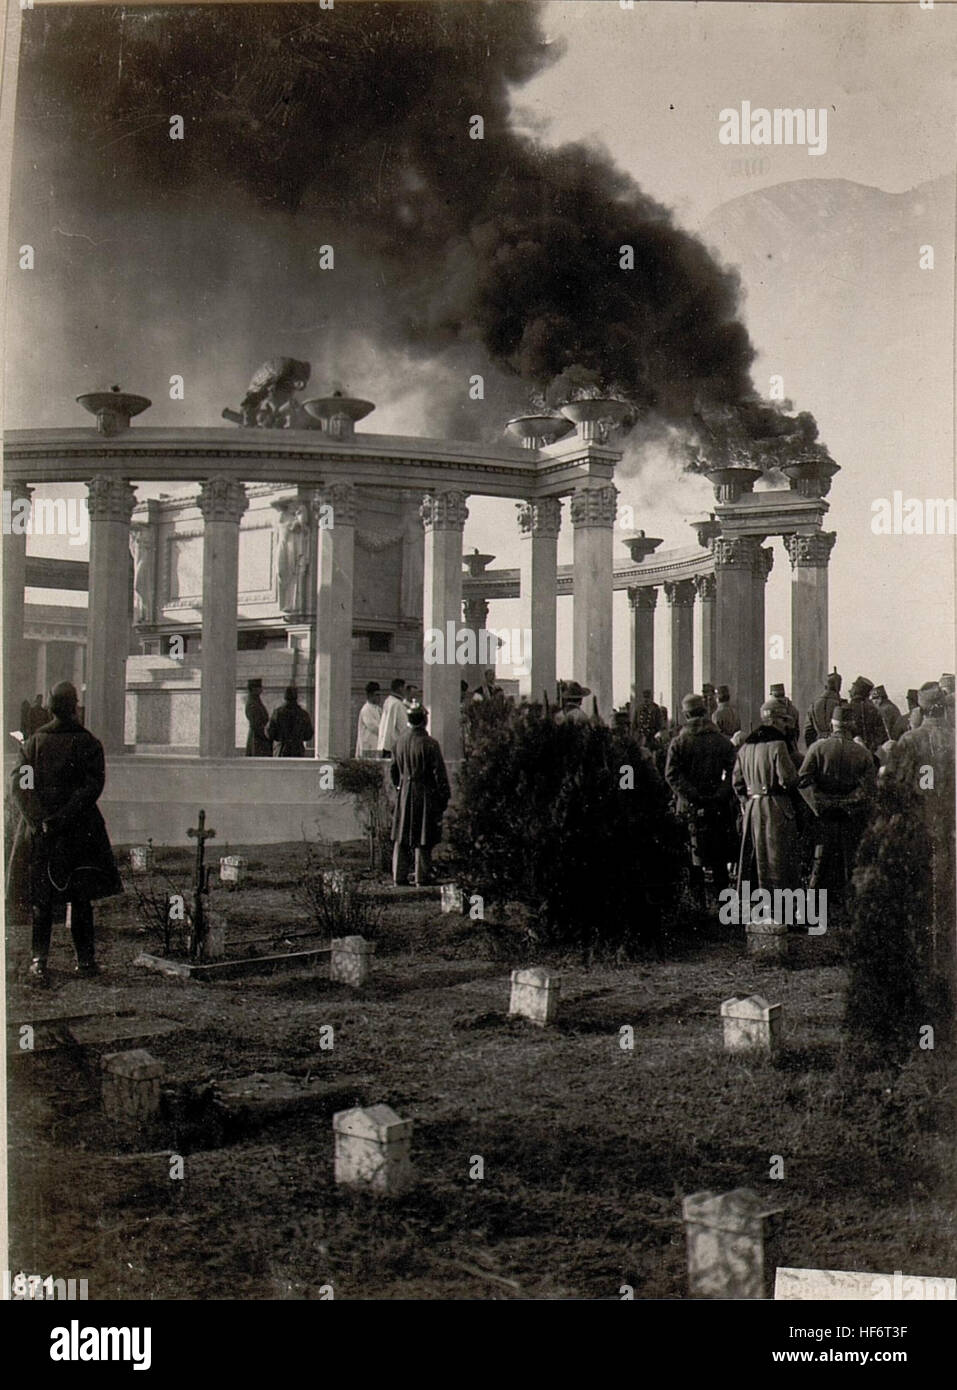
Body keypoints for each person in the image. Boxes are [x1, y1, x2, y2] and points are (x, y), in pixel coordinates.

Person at [7, 681, 122, 983]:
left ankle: (39, 961)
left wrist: (39, 821)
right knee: (80, 898)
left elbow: (21, 787)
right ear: (74, 708)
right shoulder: (89, 744)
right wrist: (63, 818)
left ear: (49, 708)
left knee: (42, 899)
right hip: (80, 832)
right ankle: (85, 961)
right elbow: (91, 787)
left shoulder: (33, 744)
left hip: (41, 833)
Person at [798, 705, 876, 907]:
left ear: (832, 725)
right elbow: (869, 789)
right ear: (851, 725)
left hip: (824, 817)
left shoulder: (817, 748)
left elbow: (804, 781)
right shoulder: (863, 753)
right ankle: (850, 907)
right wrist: (848, 804)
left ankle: (815, 907)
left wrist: (822, 803)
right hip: (850, 817)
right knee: (850, 863)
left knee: (820, 863)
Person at [665, 693, 737, 901]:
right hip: (717, 805)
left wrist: (692, 794)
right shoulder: (721, 741)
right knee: (719, 858)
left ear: (686, 715)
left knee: (692, 859)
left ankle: (698, 906)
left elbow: (671, 775)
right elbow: (735, 771)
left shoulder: (679, 742)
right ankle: (724, 905)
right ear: (705, 712)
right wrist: (720, 793)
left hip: (689, 807)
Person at [733, 700, 803, 897]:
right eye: (783, 720)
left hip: (752, 808)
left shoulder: (745, 748)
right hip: (776, 807)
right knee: (778, 859)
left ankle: (752, 902)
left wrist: (746, 802)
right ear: (773, 720)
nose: (786, 725)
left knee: (753, 859)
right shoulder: (778, 745)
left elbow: (737, 782)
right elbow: (787, 779)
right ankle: (781, 903)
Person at [390, 705, 451, 887]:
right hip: (425, 793)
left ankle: (399, 875)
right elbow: (439, 774)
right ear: (424, 720)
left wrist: (400, 787)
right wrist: (444, 796)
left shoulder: (399, 742)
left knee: (402, 835)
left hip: (405, 793)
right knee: (424, 835)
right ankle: (422, 875)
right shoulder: (430, 744)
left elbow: (393, 771)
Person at [266, 685, 313, 756]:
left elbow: (270, 733)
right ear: (296, 697)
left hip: (281, 750)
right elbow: (308, 734)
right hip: (297, 751)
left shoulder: (278, 713)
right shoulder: (303, 714)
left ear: (285, 697)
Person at [845, 676, 887, 752]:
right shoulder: (873, 710)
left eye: (853, 687)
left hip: (850, 751)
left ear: (856, 690)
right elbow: (882, 735)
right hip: (870, 752)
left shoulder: (846, 708)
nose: (850, 690)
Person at [804, 669, 844, 748]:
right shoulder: (841, 705)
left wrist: (811, 748)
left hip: (818, 744)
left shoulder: (813, 705)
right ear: (839, 687)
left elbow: (808, 731)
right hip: (837, 745)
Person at [377, 677, 410, 757]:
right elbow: (403, 726)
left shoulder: (388, 701)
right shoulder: (398, 704)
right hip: (395, 746)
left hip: (384, 743)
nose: (405, 691)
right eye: (404, 688)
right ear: (400, 688)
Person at [244, 677, 273, 757]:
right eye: (259, 687)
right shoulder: (252, 703)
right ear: (253, 689)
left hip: (258, 737)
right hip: (257, 738)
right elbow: (255, 723)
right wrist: (266, 735)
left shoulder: (255, 701)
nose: (261, 689)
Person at [355, 681, 382, 758]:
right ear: (370, 695)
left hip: (376, 745)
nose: (379, 697)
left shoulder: (378, 709)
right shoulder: (366, 709)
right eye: (377, 695)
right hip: (368, 747)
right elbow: (374, 727)